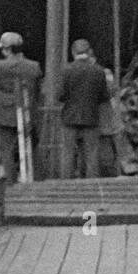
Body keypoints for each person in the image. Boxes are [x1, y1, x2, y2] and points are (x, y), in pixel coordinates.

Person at [0, 32, 42, 183]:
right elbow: (37, 89)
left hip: (5, 115)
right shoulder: (34, 66)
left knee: (6, 150)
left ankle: (10, 183)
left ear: (7, 49)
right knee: (32, 149)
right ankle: (36, 179)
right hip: (28, 112)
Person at [58, 39, 110, 179]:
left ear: (73, 52)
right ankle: (91, 185)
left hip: (69, 116)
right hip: (91, 116)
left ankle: (65, 184)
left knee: (67, 152)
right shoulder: (98, 71)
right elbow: (104, 96)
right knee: (91, 153)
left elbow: (60, 95)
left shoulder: (66, 70)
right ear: (89, 52)